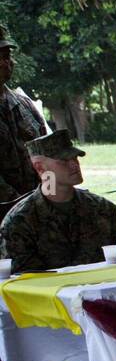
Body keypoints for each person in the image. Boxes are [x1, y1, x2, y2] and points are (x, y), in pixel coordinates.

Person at [0, 129, 116, 273]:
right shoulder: (20, 221)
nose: (75, 165)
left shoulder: (102, 209)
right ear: (40, 167)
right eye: (64, 160)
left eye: (75, 158)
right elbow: (21, 281)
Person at [0, 25, 50, 221]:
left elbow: (50, 157)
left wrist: (50, 197)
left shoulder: (25, 106)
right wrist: (23, 205)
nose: (7, 63)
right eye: (1, 57)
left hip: (39, 213)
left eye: (7, 56)